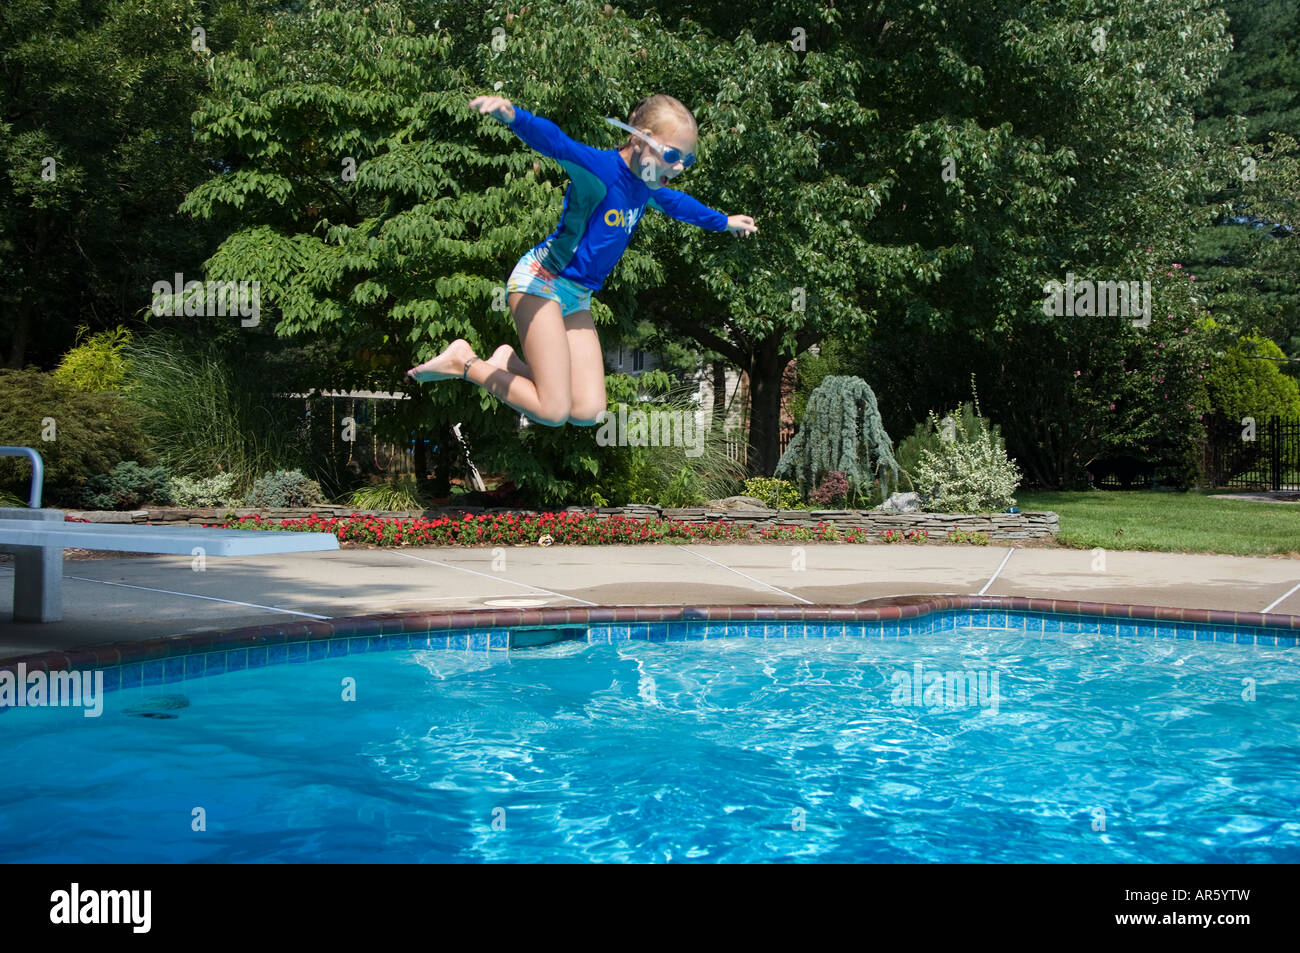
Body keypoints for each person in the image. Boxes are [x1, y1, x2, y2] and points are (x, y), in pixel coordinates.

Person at [407, 93, 758, 426]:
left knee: (589, 410)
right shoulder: (600, 169)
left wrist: (723, 221)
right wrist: (515, 117)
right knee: (553, 410)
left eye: (688, 159)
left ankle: (506, 362)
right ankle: (464, 362)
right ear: (640, 139)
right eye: (671, 155)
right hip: (541, 280)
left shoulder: (646, 185)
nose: (680, 166)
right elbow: (558, 143)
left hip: (577, 296)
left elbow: (678, 204)